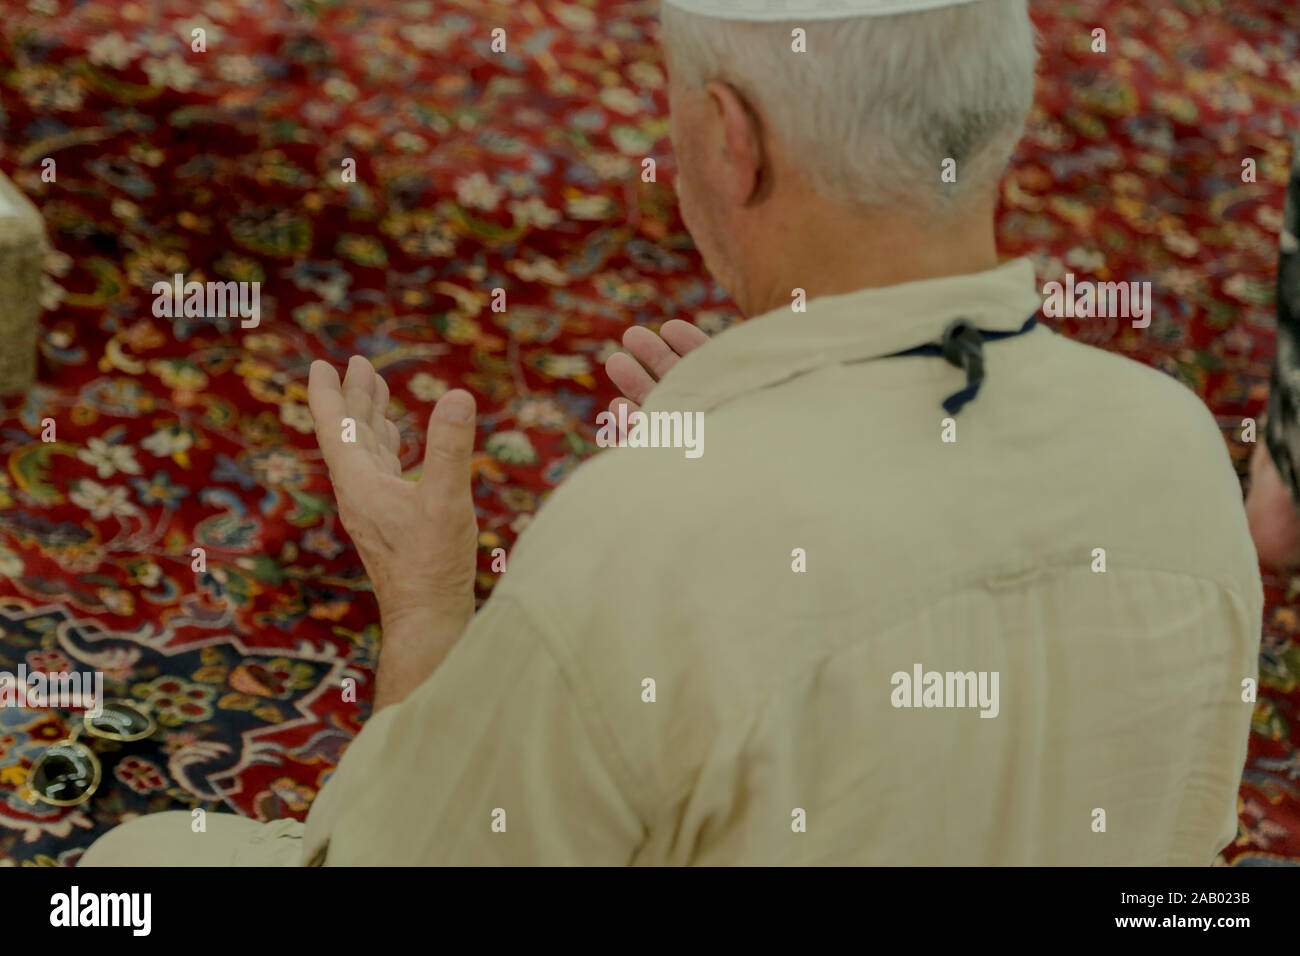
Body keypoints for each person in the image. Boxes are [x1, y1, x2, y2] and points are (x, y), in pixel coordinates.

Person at [81, 0, 1261, 866]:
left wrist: (426, 600)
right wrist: (788, 440)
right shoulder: (1174, 451)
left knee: (137, 873)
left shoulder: (637, 546)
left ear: (729, 139)